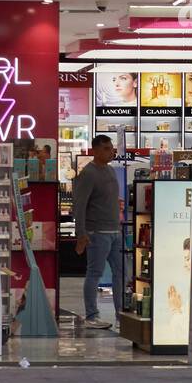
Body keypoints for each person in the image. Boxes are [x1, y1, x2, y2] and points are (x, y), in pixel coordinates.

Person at [73, 134, 122, 330]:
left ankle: (121, 314)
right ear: (96, 150)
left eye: (111, 148)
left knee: (120, 274)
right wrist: (81, 233)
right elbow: (80, 204)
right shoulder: (88, 174)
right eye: (106, 149)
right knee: (94, 272)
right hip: (97, 233)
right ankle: (92, 315)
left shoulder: (110, 171)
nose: (111, 152)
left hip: (114, 231)